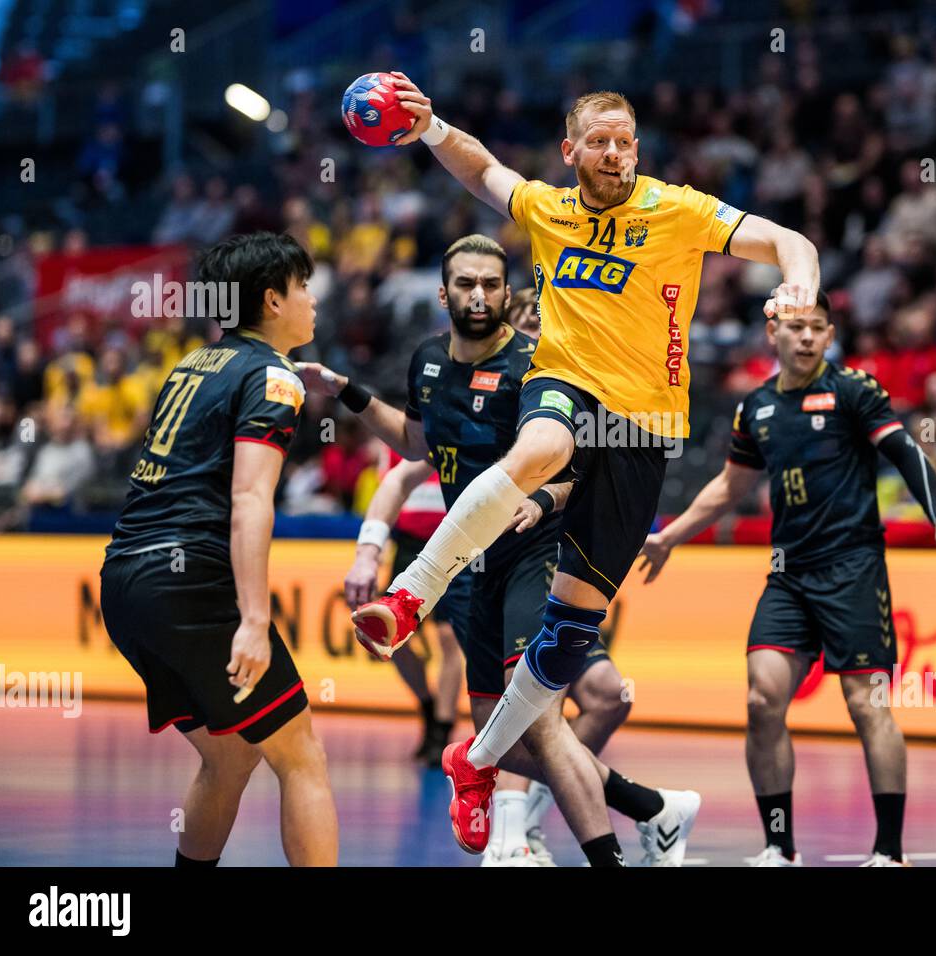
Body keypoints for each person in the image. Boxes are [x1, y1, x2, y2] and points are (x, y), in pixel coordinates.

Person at [343, 78, 820, 866]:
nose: (613, 154)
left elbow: (789, 242)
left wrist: (797, 285)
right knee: (538, 450)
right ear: (571, 152)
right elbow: (482, 169)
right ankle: (411, 594)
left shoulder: (677, 209)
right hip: (566, 389)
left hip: (646, 426)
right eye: (597, 141)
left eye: (624, 140)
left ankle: (477, 757)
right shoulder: (549, 210)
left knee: (567, 641)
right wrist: (430, 127)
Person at [301, 235, 700, 866]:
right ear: (444, 293)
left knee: (538, 721)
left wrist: (544, 501)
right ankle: (655, 808)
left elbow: (586, 464)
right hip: (471, 571)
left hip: (534, 557)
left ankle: (603, 856)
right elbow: (412, 443)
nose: (479, 295)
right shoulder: (429, 361)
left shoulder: (538, 367)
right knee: (502, 735)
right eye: (466, 284)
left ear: (508, 292)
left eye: (491, 284)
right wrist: (345, 390)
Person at [638, 293, 936, 867]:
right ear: (774, 334)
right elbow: (728, 488)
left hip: (852, 568)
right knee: (761, 698)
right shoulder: (757, 408)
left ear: (830, 334)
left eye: (818, 328)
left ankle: (889, 853)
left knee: (866, 704)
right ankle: (779, 846)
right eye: (796, 327)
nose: (807, 337)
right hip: (787, 575)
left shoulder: (854, 391)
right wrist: (669, 535)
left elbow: (905, 451)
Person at [98, 232, 337, 866]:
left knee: (232, 753)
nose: (314, 299)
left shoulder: (190, 364)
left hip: (123, 579)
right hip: (191, 579)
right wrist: (255, 621)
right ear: (271, 300)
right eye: (303, 286)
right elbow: (251, 500)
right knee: (302, 755)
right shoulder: (275, 380)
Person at [347, 451, 466, 765]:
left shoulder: (458, 427)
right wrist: (372, 555)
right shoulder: (398, 443)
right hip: (410, 546)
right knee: (388, 637)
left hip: (454, 544)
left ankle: (442, 727)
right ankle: (427, 706)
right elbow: (389, 492)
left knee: (450, 639)